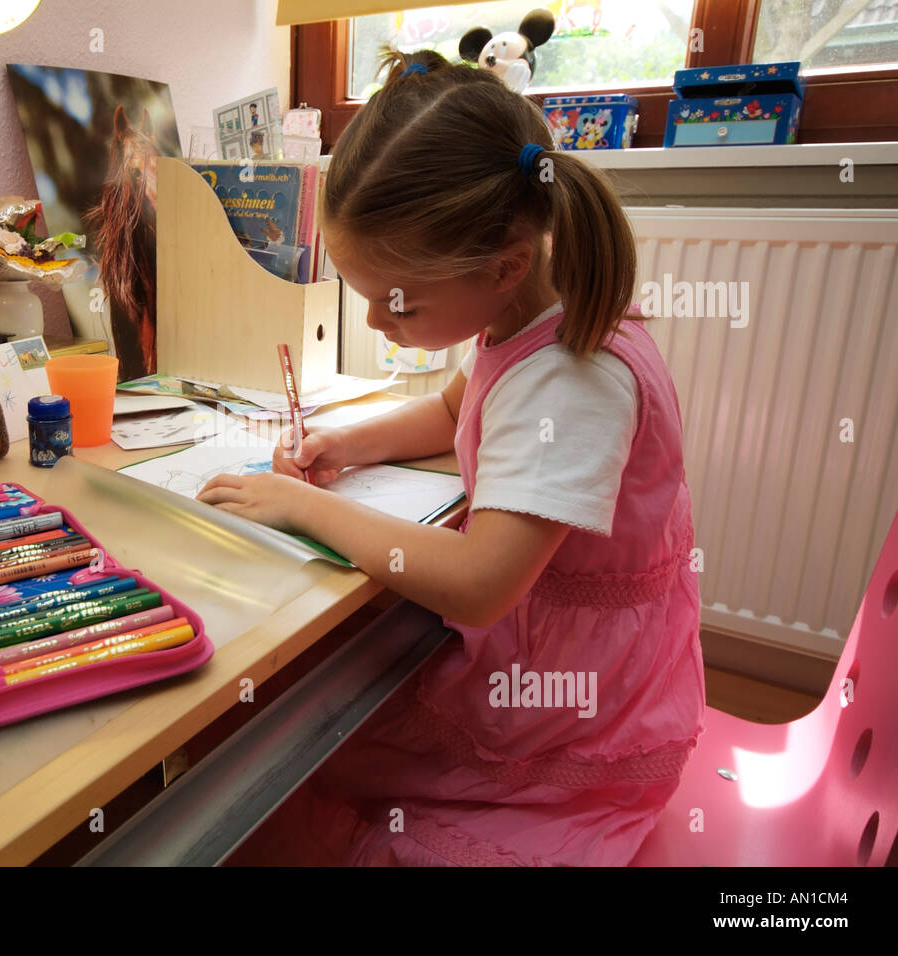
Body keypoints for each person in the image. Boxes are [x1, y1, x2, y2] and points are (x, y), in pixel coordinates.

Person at [196, 49, 706, 866]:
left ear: (502, 265)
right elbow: (449, 408)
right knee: (307, 735)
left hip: (571, 703)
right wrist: (345, 442)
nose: (377, 319)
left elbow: (480, 584)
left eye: (398, 300)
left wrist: (306, 506)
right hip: (543, 652)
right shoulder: (527, 312)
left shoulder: (572, 383)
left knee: (312, 770)